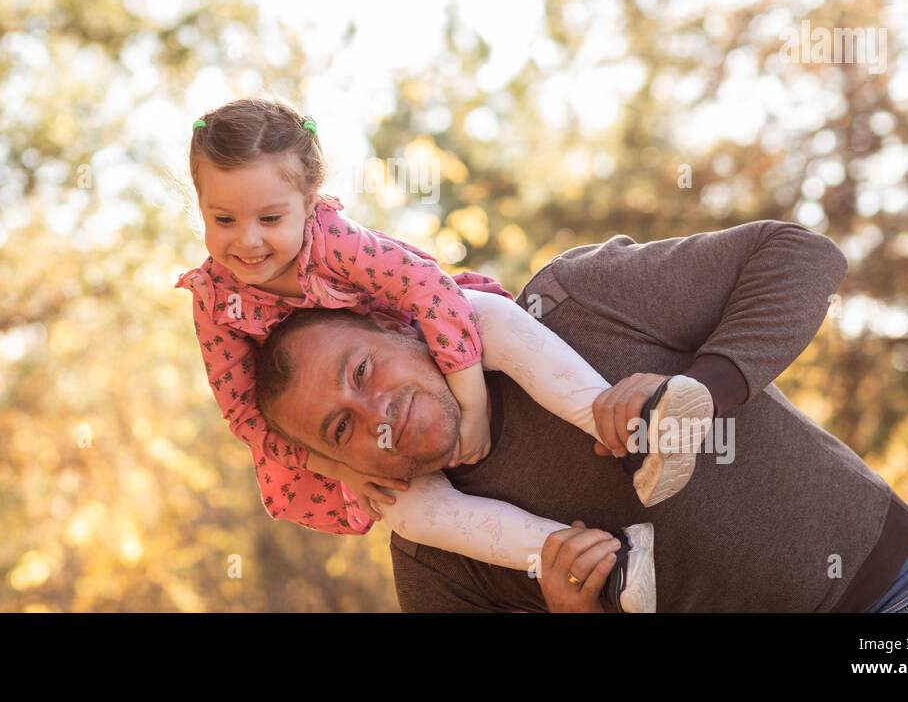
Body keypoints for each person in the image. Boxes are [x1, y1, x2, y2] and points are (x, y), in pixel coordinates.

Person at [253, 219, 908, 612]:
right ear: (338, 467)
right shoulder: (432, 563)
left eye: (363, 371)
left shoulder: (571, 303)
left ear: (404, 326)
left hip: (887, 595)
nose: (377, 413)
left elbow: (802, 257)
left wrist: (701, 388)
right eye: (341, 427)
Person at [175, 96, 713, 612]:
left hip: (423, 338)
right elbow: (242, 411)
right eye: (223, 221)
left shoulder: (333, 241)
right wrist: (342, 469)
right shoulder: (213, 297)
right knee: (409, 511)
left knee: (490, 315)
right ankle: (610, 568)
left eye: (270, 219)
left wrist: (471, 407)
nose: (247, 242)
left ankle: (631, 429)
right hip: (339, 429)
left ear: (310, 201)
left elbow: (429, 292)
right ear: (200, 207)